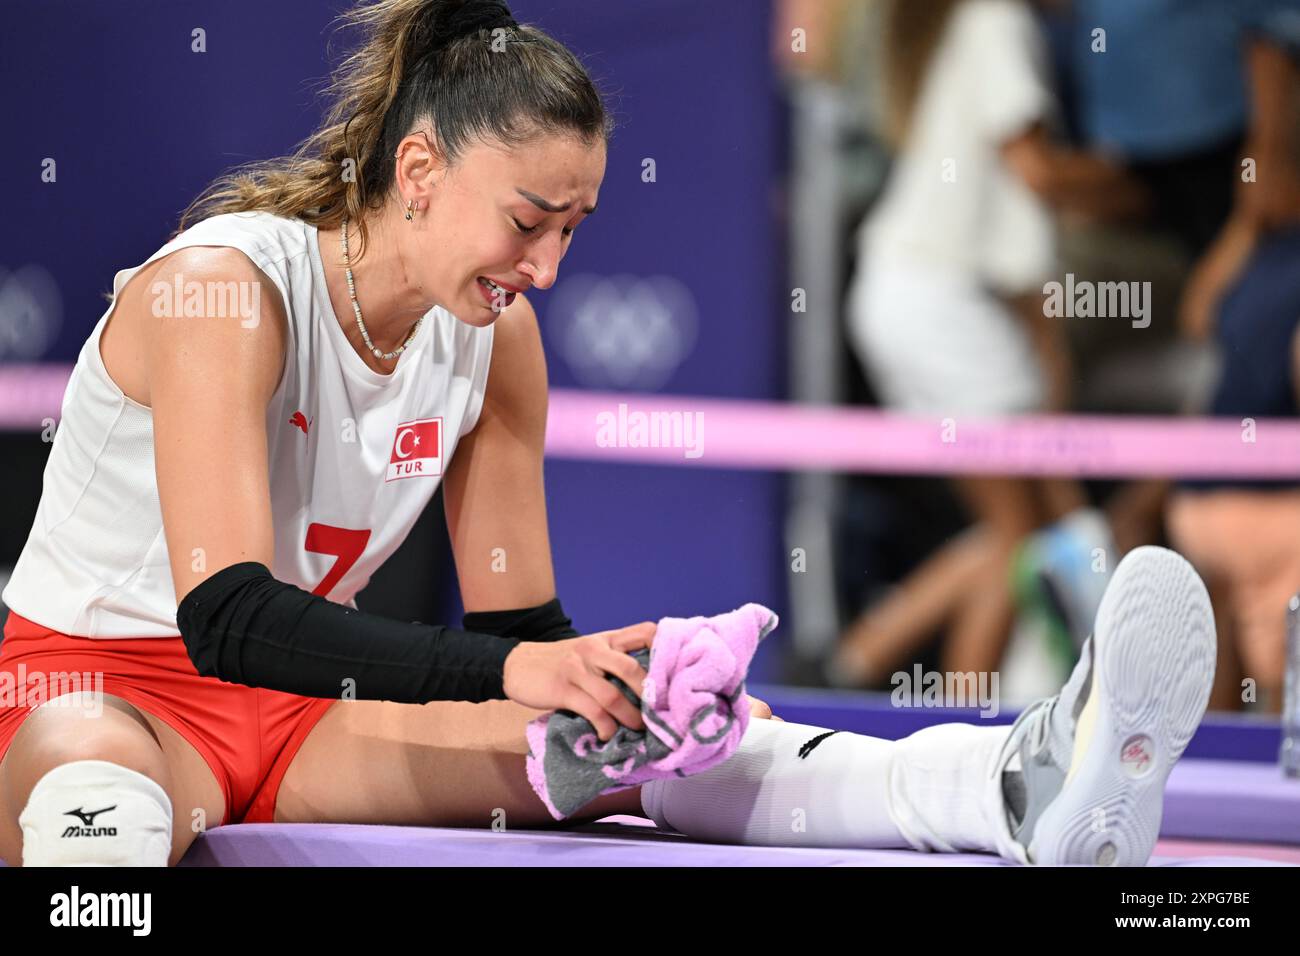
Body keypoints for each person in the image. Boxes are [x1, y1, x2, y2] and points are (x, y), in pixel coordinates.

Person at [0, 0, 1215, 869]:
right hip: (104, 689)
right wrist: (515, 672)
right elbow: (228, 617)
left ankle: (1012, 787)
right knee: (94, 808)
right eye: (529, 220)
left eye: (573, 229)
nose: (547, 267)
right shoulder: (221, 291)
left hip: (307, 710)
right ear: (416, 169)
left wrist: (615, 681)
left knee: (641, 740)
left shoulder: (495, 340)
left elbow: (523, 633)